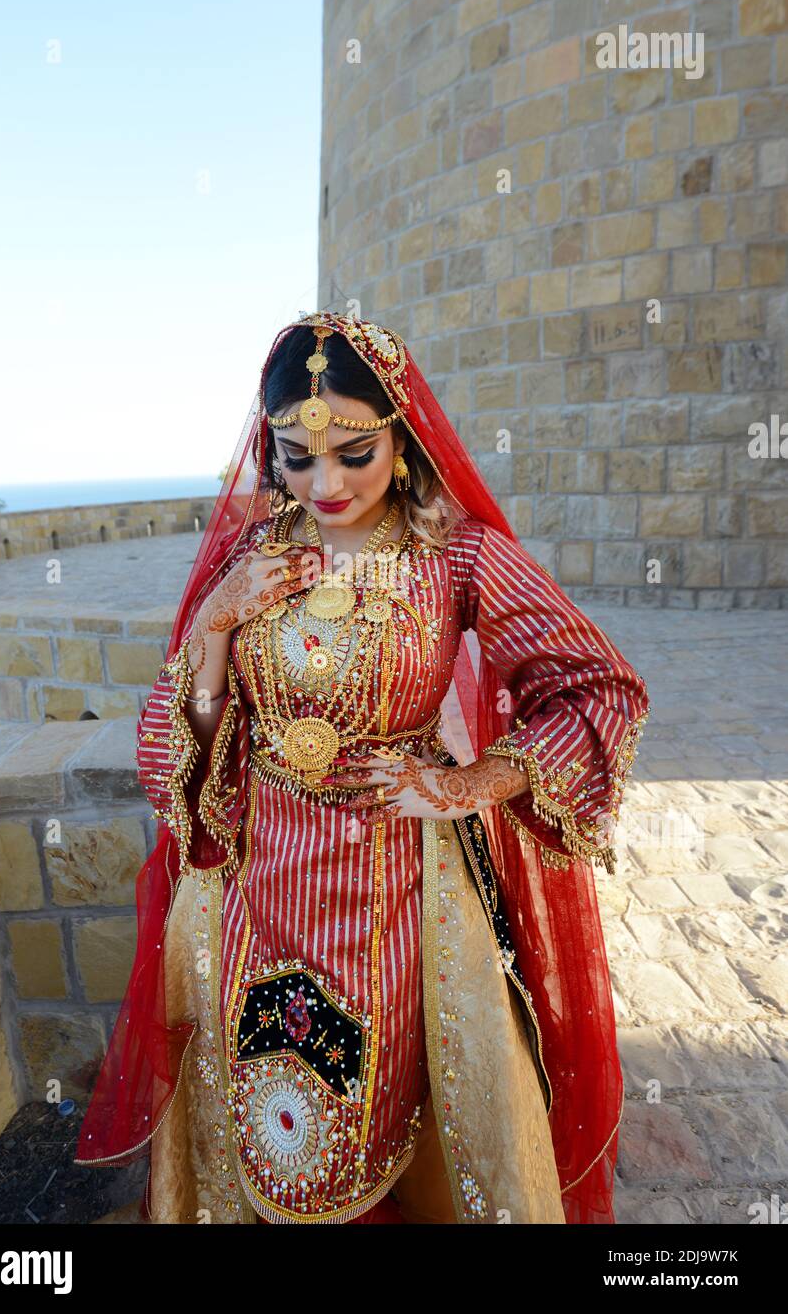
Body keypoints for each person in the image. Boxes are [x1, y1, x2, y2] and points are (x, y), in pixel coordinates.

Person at [74, 311, 650, 1225]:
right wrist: (219, 623)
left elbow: (597, 690)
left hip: (401, 884)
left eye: (353, 451)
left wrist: (471, 783)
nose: (324, 482)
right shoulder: (252, 552)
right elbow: (177, 728)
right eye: (296, 458)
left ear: (400, 435)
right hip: (257, 876)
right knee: (266, 1087)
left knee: (387, 1085)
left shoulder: (455, 556)